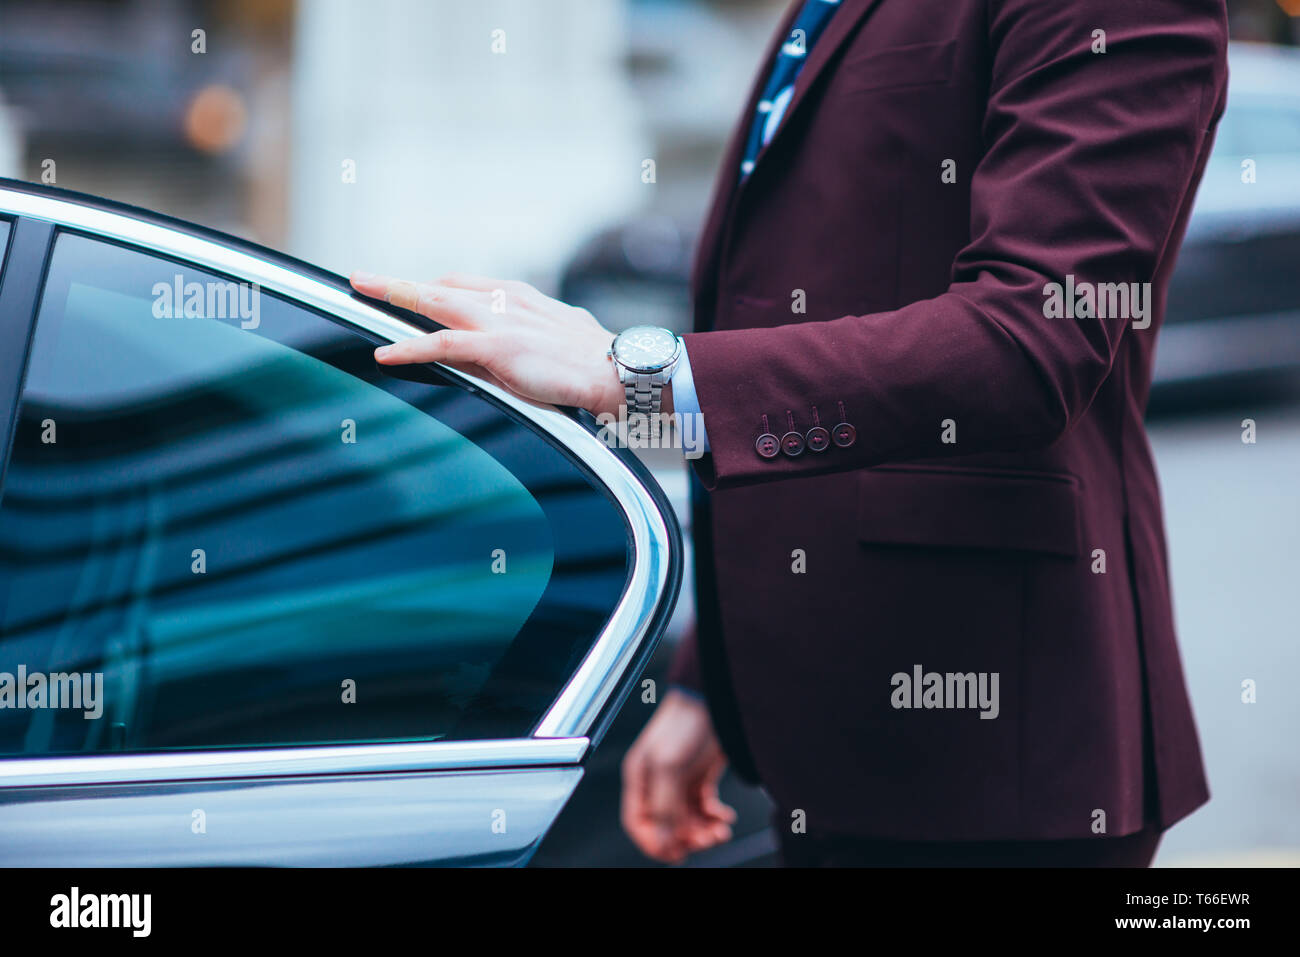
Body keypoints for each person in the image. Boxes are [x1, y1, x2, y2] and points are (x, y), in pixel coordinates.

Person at [350, 0, 1230, 867]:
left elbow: (1032, 338)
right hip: (817, 730)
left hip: (996, 759)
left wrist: (634, 377)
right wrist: (709, 680)